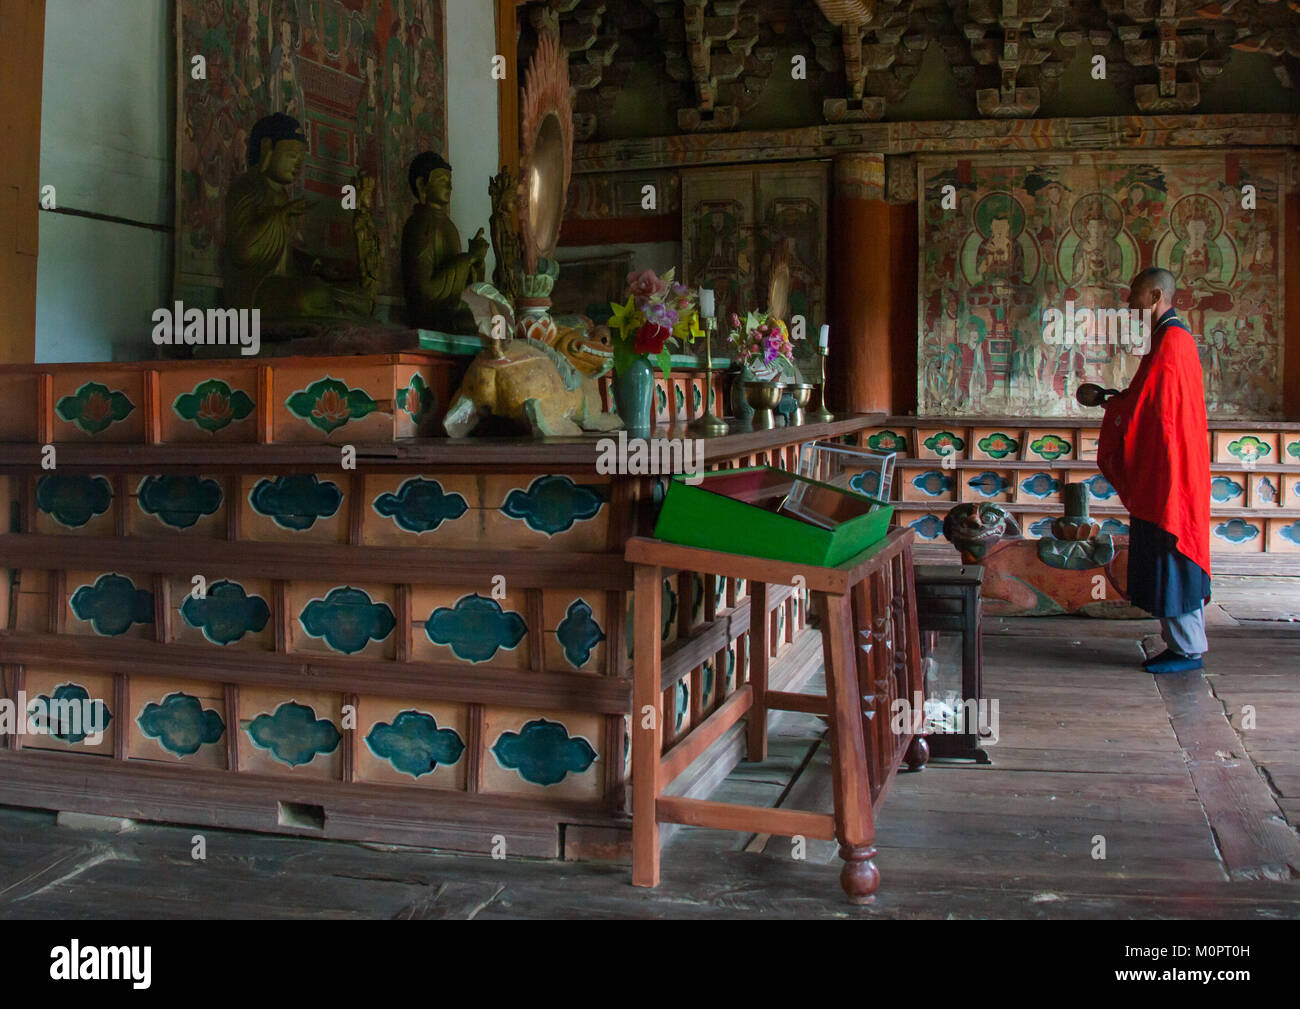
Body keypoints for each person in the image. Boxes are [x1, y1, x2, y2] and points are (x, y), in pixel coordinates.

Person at [1081, 267, 1211, 673]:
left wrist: (1112, 406)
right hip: (1168, 468)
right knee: (1164, 550)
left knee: (1172, 549)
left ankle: (1188, 650)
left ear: (1156, 295)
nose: (1128, 301)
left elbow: (1153, 413)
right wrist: (1115, 401)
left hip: (1172, 474)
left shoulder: (1173, 342)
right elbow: (1150, 404)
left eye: (1134, 293)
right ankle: (1183, 645)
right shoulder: (1166, 339)